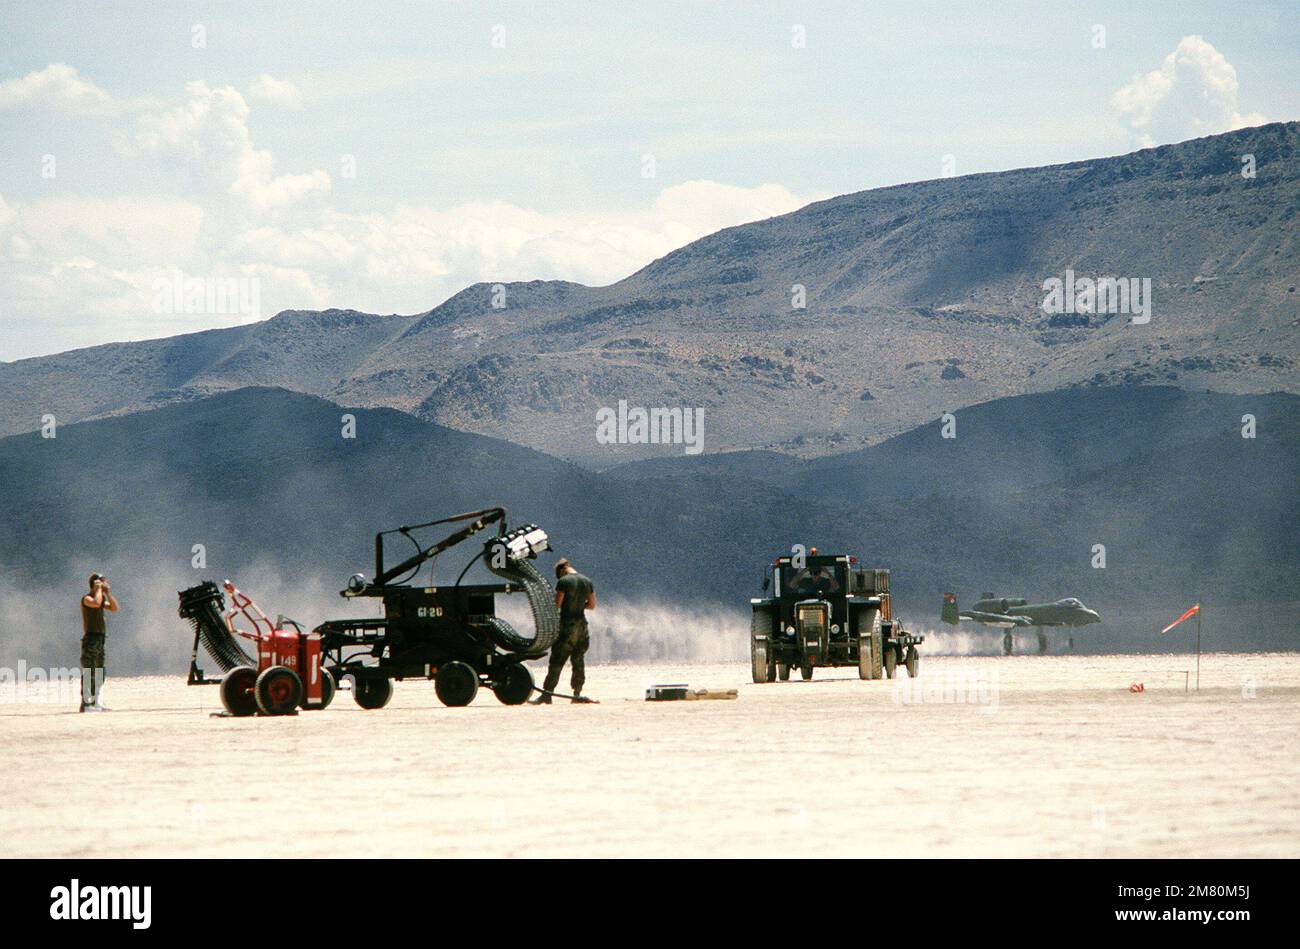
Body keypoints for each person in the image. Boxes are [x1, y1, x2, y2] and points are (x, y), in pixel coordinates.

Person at [534, 558, 595, 704]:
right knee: (578, 660)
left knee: (557, 660)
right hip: (582, 626)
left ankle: (547, 694)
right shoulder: (587, 581)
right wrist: (580, 605)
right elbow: (592, 605)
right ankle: (577, 694)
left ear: (561, 570)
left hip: (567, 626)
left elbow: (557, 605)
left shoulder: (564, 582)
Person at [80, 573, 119, 712]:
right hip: (90, 639)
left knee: (99, 671)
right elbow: (95, 604)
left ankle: (96, 702)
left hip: (100, 639)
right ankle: (86, 704)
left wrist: (107, 593)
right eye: (101, 583)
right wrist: (98, 590)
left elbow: (114, 608)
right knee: (89, 671)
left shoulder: (100, 598)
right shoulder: (87, 599)